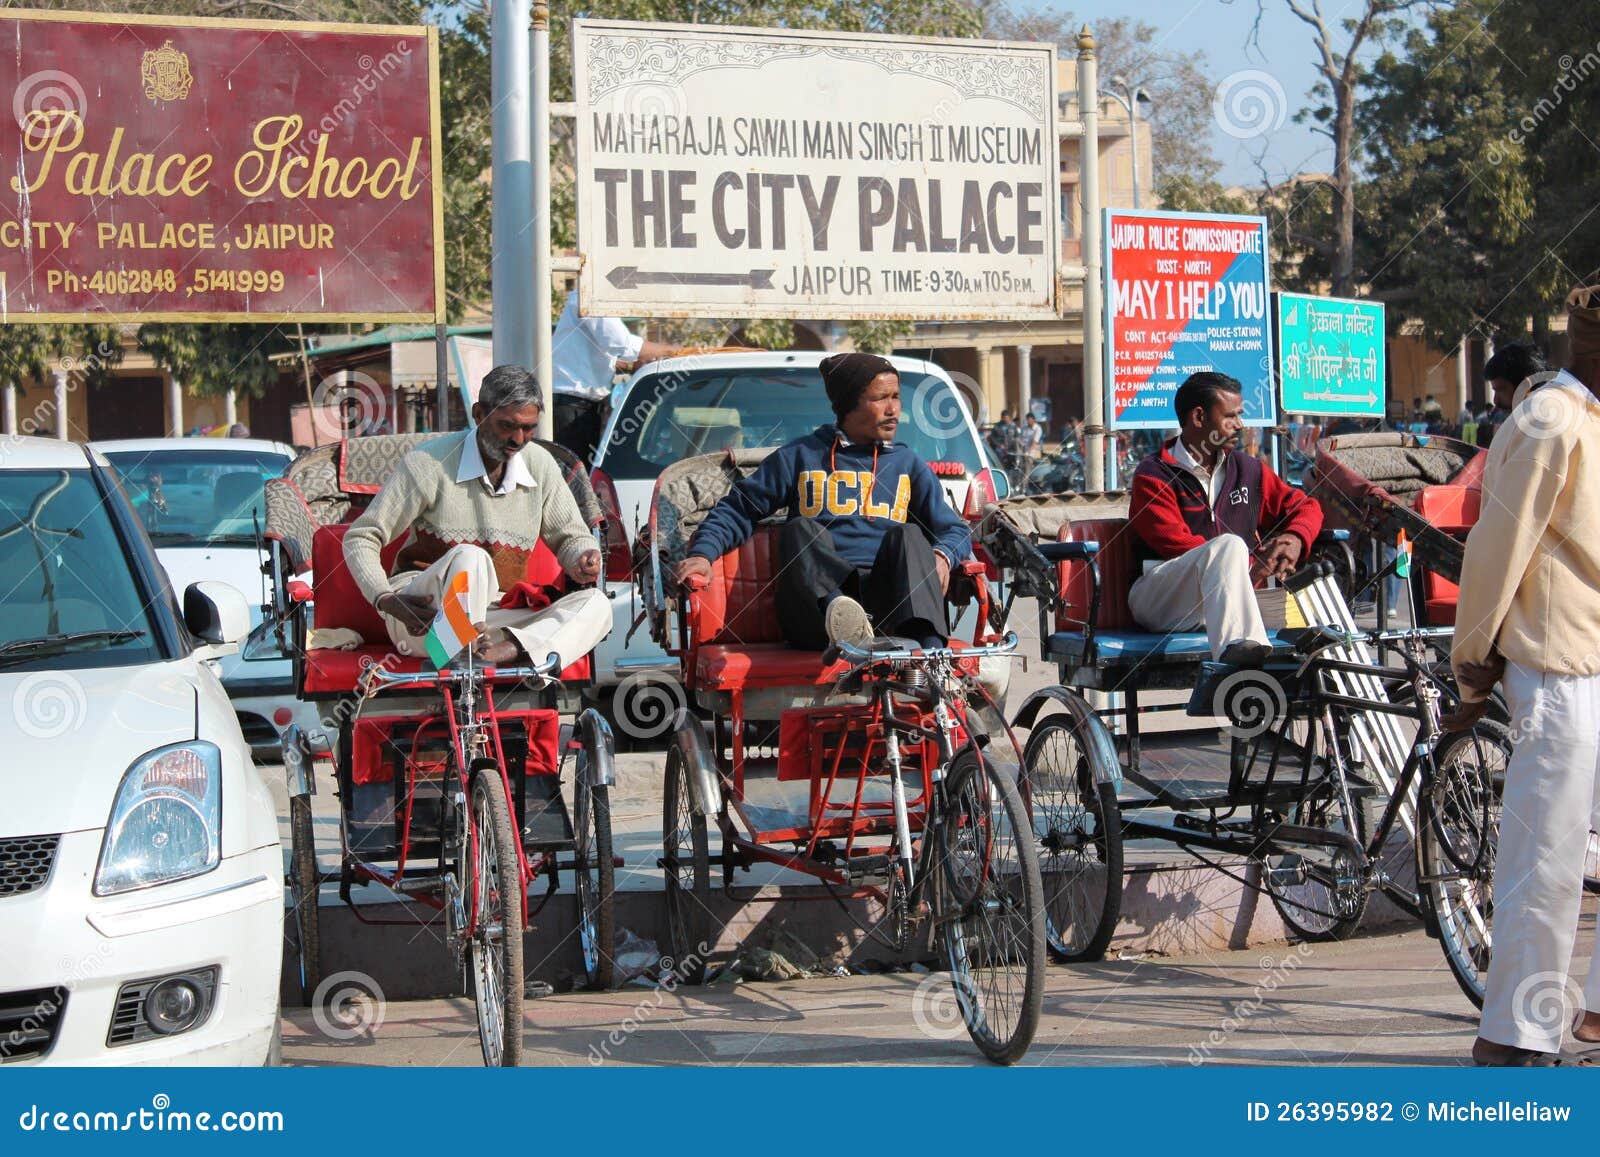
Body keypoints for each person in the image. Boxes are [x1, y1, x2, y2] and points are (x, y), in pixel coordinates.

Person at [1443, 336, 1600, 1066]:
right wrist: (1473, 667)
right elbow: (1496, 547)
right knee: (1549, 850)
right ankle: (1515, 1032)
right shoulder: (1548, 418)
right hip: (1557, 660)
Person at [674, 352, 971, 650]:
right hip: (814, 617)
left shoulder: (907, 463)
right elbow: (737, 510)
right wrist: (702, 555)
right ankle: (844, 622)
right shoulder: (799, 457)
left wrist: (943, 556)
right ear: (848, 405)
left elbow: (955, 530)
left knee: (909, 534)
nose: (893, 409)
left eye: (896, 396)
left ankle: (931, 655)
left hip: (886, 609)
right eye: (881, 398)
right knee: (800, 528)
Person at [342, 364, 611, 668]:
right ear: (478, 414)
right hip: (423, 619)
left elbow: (570, 537)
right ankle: (467, 654)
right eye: (506, 426)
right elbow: (361, 536)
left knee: (596, 604)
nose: (518, 439)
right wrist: (386, 599)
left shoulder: (541, 465)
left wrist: (582, 556)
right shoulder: (428, 463)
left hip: (493, 620)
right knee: (471, 557)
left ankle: (501, 652)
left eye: (528, 428)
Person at [1125, 371, 1323, 664]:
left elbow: (1306, 507)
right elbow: (1178, 545)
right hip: (1160, 598)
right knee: (1230, 545)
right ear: (1199, 417)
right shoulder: (1153, 475)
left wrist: (1295, 538)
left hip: (1225, 600)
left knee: (1317, 625)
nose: (1240, 425)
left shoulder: (1249, 470)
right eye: (1230, 417)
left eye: (1240, 416)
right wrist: (1252, 568)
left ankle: (1249, 655)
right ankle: (1237, 657)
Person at [551, 292, 681, 464]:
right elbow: (621, 343)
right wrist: (674, 351)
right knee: (574, 480)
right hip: (571, 410)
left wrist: (630, 366)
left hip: (580, 408)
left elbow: (602, 354)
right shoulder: (590, 292)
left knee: (580, 476)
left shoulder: (593, 296)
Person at [1018, 413, 1044, 483]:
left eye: (1029, 420)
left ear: (1033, 420)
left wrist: (1028, 452)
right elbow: (1020, 439)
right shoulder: (1024, 428)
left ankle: (1025, 483)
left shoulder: (1038, 429)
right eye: (1027, 420)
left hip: (1033, 451)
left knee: (1027, 465)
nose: (1028, 421)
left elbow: (1034, 443)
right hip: (1023, 449)